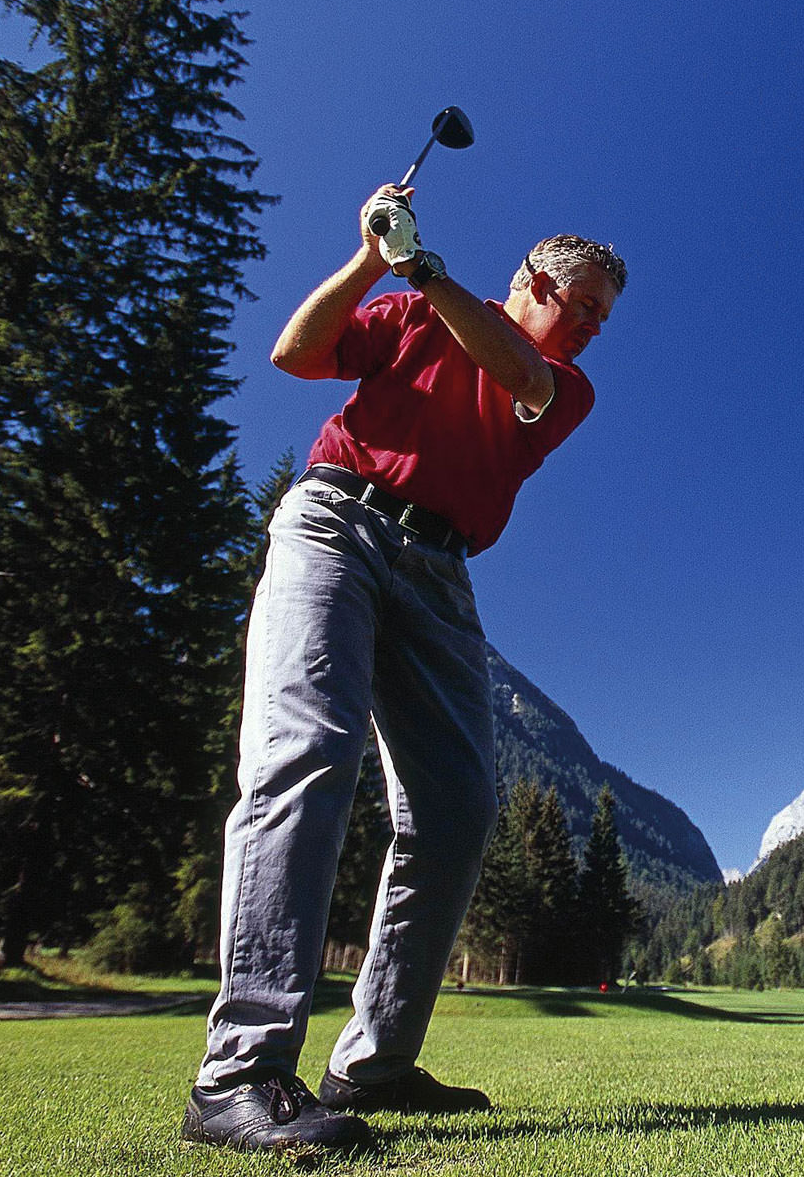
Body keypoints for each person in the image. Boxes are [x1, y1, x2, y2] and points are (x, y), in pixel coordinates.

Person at [181, 184, 624, 1154]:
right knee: (307, 754)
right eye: (579, 301)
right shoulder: (407, 309)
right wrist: (372, 262)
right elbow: (294, 353)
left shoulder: (560, 381)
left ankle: (374, 1061)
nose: (590, 325)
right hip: (333, 523)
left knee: (458, 808)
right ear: (530, 280)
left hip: (441, 571)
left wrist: (422, 266)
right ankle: (239, 1072)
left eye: (602, 315)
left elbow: (520, 372)